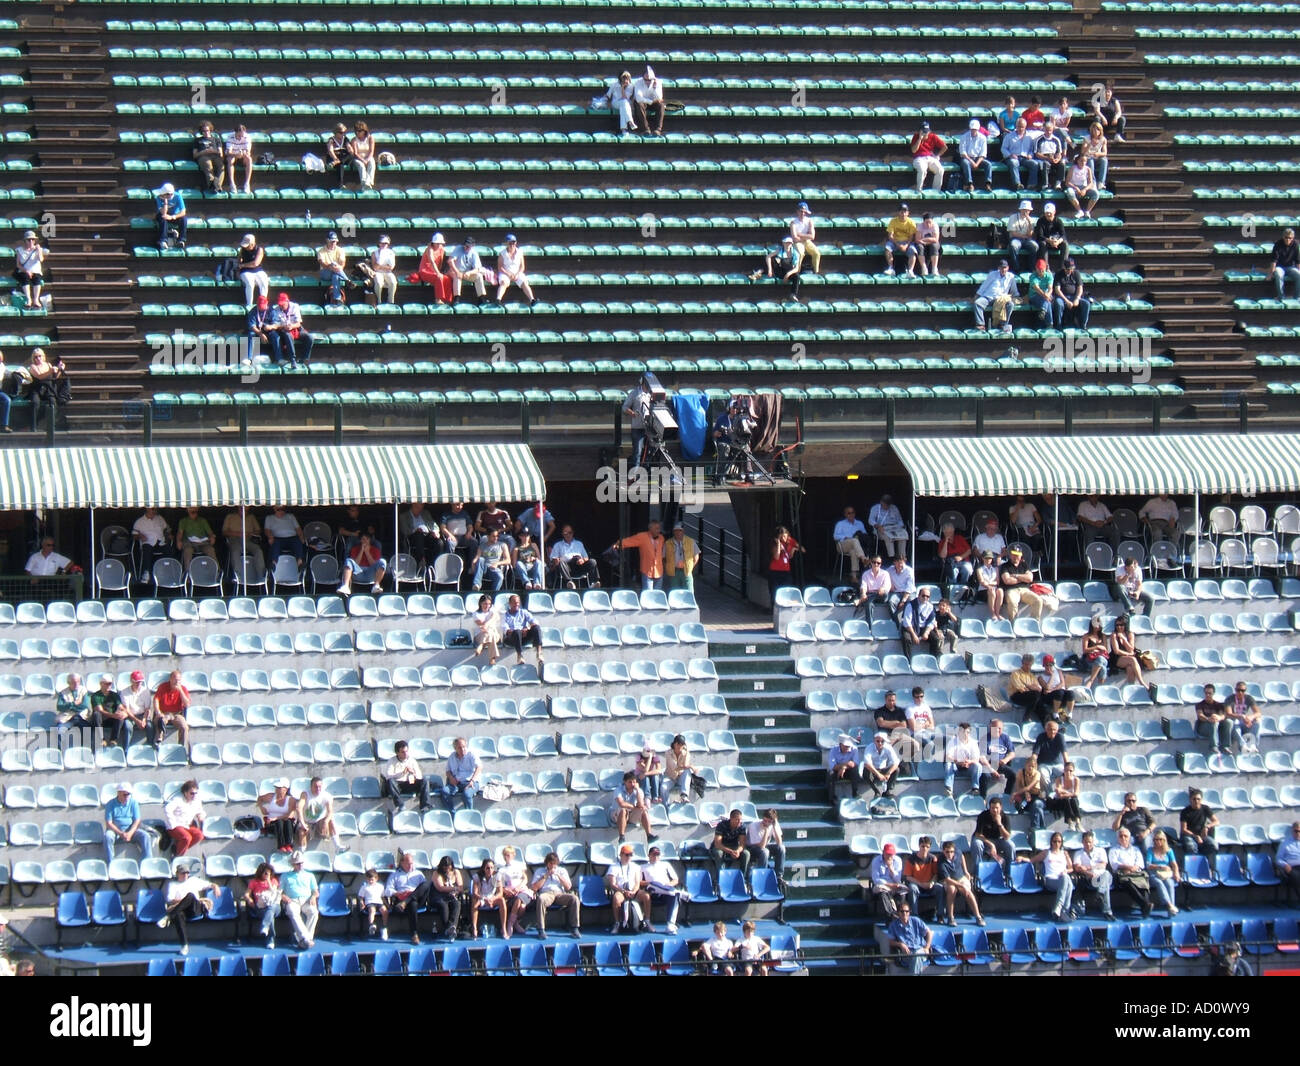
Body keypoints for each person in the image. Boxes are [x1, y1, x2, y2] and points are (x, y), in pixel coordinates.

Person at [159, 864, 220, 955]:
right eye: (183, 873)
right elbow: (170, 900)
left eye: (187, 873)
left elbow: (210, 884)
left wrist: (216, 887)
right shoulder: (173, 885)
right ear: (177, 873)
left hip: (195, 908)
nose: (185, 875)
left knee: (190, 896)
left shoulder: (193, 881)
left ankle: (168, 917)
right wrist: (184, 901)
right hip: (182, 910)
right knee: (178, 915)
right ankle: (184, 945)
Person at [1021, 832, 1074, 921]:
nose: (1057, 844)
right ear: (1051, 842)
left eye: (1059, 842)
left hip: (1062, 878)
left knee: (1067, 879)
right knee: (1068, 882)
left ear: (1061, 843)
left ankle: (1060, 911)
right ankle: (1063, 910)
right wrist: (1022, 858)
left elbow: (1071, 868)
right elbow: (1032, 860)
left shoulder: (1064, 854)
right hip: (1050, 879)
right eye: (1054, 841)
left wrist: (1066, 870)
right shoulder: (1046, 853)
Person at [531, 852, 582, 939]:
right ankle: (541, 929)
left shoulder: (562, 871)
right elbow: (535, 888)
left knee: (575, 899)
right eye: (550, 863)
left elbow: (568, 887)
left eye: (554, 863)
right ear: (547, 863)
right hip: (547, 893)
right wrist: (545, 876)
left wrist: (558, 875)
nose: (552, 865)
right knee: (541, 899)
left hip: (559, 893)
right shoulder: (540, 871)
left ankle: (574, 928)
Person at [640, 844, 687, 935]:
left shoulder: (665, 864)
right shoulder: (643, 867)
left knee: (674, 896)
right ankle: (679, 893)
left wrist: (669, 884)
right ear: (649, 855)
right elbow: (639, 882)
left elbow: (675, 879)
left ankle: (670, 924)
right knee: (656, 884)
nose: (656, 857)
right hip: (652, 890)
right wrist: (649, 883)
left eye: (657, 855)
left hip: (666, 890)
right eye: (654, 854)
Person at [606, 843, 652, 934]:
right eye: (627, 855)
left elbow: (637, 882)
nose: (629, 857)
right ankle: (617, 923)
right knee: (616, 898)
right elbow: (612, 884)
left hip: (633, 891)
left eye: (630, 855)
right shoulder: (613, 867)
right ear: (621, 855)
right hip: (621, 890)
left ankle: (647, 921)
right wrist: (623, 891)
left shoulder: (635, 867)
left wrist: (634, 891)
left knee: (646, 896)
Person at [387, 851, 431, 945]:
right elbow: (387, 890)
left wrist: (413, 894)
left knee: (426, 884)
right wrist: (397, 893)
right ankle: (414, 934)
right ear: (402, 863)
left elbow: (424, 888)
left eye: (411, 863)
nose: (410, 866)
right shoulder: (395, 874)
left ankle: (406, 901)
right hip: (402, 899)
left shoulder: (418, 874)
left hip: (417, 898)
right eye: (408, 863)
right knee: (413, 903)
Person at [937, 839, 985, 926]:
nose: (950, 854)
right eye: (947, 852)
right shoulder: (940, 861)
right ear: (943, 851)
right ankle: (950, 917)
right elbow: (947, 879)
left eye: (951, 852)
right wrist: (961, 886)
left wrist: (966, 871)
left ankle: (978, 917)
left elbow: (962, 856)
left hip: (960, 877)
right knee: (952, 890)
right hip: (949, 880)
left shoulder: (958, 852)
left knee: (968, 893)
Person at [104, 783, 153, 865]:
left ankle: (147, 863)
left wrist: (130, 833)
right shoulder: (110, 804)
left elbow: (137, 820)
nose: (127, 796)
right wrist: (120, 833)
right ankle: (111, 864)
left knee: (145, 836)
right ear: (119, 793)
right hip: (115, 831)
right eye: (125, 794)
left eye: (128, 794)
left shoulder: (133, 803)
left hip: (131, 830)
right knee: (107, 836)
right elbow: (109, 823)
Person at [1071, 830, 1116, 921]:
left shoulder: (1101, 850)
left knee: (1106, 875)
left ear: (1093, 842)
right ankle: (1107, 911)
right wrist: (1089, 873)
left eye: (1090, 842)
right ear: (1082, 842)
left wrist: (1088, 867)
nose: (1088, 844)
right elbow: (1077, 868)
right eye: (1086, 842)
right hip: (1089, 879)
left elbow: (1103, 865)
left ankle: (1100, 893)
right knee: (1105, 885)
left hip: (1101, 877)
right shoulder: (1078, 853)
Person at [1108, 827, 1152, 916]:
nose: (1123, 838)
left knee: (1143, 882)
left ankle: (1145, 906)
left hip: (1136, 872)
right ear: (1118, 838)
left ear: (1129, 838)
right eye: (1121, 836)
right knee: (1128, 882)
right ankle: (1145, 905)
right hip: (1122, 874)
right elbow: (1114, 864)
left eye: (1125, 836)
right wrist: (1128, 867)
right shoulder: (1113, 850)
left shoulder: (1135, 849)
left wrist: (1133, 869)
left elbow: (1140, 863)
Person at [281, 851, 320, 950]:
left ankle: (304, 939)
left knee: (314, 912)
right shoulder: (285, 876)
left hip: (307, 900)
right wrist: (283, 896)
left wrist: (313, 897)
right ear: (293, 864)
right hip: (292, 900)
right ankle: (306, 939)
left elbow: (316, 892)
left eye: (301, 863)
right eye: (298, 864)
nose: (300, 865)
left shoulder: (310, 875)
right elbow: (279, 892)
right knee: (293, 912)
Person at [614, 519, 666, 592]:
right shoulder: (642, 536)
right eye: (656, 528)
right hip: (647, 571)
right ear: (650, 528)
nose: (658, 531)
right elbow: (630, 541)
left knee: (658, 594)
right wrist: (619, 544)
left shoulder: (661, 538)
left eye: (659, 528)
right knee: (648, 594)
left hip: (659, 571)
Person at [999, 545, 1047, 621]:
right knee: (1012, 602)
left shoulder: (1024, 565)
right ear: (1010, 555)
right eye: (1013, 554)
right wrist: (1023, 578)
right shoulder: (1005, 566)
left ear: (1021, 555)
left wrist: (1015, 576)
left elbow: (1030, 578)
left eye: (1017, 555)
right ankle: (1013, 624)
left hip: (1025, 590)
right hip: (1011, 590)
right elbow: (1007, 580)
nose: (1015, 556)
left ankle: (1034, 623)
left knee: (1038, 600)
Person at [384, 740, 433, 812]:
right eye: (403, 752)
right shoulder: (391, 761)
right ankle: (400, 805)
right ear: (397, 753)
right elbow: (388, 776)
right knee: (390, 782)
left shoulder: (412, 760)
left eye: (406, 751)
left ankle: (425, 805)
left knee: (425, 780)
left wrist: (413, 772)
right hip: (398, 785)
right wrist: (402, 773)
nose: (405, 754)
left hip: (410, 783)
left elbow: (419, 776)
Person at [749, 236, 803, 301]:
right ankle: (759, 272)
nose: (788, 244)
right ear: (783, 243)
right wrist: (770, 269)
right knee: (773, 260)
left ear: (792, 244)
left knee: (796, 277)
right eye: (786, 243)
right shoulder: (780, 250)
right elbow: (768, 257)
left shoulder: (795, 253)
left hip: (789, 271)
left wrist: (788, 274)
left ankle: (793, 294)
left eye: (789, 243)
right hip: (780, 271)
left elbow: (796, 268)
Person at [904, 837, 945, 921]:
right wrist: (921, 884)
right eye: (923, 846)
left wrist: (932, 883)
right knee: (912, 888)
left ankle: (940, 915)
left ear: (929, 847)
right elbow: (908, 877)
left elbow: (935, 874)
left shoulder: (933, 859)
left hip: (929, 884)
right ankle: (914, 916)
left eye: (927, 846)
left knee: (940, 888)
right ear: (919, 846)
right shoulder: (911, 859)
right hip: (917, 884)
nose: (925, 849)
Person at [971, 796, 1015, 875]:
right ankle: (978, 873)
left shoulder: (1005, 817)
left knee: (1011, 845)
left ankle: (1009, 874)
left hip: (997, 840)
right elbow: (978, 834)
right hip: (983, 840)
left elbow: (1007, 837)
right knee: (977, 843)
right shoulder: (983, 815)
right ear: (989, 807)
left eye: (997, 808)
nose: (994, 810)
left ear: (1000, 807)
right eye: (992, 808)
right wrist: (991, 845)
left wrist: (1000, 824)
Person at [298, 777, 343, 852]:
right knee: (302, 831)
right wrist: (302, 823)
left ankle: (337, 846)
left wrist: (326, 821)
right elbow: (299, 808)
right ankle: (302, 852)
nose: (318, 789)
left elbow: (330, 811)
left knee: (330, 820)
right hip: (307, 822)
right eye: (316, 787)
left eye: (320, 787)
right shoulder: (305, 794)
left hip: (320, 822)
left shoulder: (327, 795)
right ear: (311, 786)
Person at [973, 259, 1019, 334]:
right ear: (999, 268)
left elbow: (1014, 291)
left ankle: (1003, 324)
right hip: (988, 297)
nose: (1003, 269)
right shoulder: (992, 274)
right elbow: (984, 286)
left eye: (1005, 267)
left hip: (1000, 300)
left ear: (1008, 268)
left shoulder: (1011, 277)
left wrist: (1016, 298)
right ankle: (981, 324)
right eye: (1002, 268)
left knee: (1010, 304)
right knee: (977, 303)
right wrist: (977, 295)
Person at [886, 901, 933, 975]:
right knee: (915, 957)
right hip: (906, 953)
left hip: (921, 950)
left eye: (907, 911)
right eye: (902, 911)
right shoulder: (893, 925)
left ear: (909, 912)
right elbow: (890, 941)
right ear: (898, 912)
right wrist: (900, 944)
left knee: (917, 955)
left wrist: (927, 947)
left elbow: (929, 932)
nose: (904, 913)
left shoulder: (916, 921)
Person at [243, 861, 281, 948]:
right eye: (265, 873)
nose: (266, 874)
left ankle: (265, 926)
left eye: (268, 873)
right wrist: (249, 900)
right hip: (261, 907)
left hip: (275, 906)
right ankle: (270, 941)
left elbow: (274, 891)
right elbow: (246, 894)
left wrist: (268, 881)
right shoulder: (254, 882)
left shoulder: (273, 881)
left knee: (271, 907)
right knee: (269, 913)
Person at [150, 669, 191, 748]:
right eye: (175, 679)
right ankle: (158, 742)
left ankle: (181, 747)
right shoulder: (163, 687)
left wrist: (181, 691)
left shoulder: (183, 689)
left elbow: (187, 704)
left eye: (179, 680)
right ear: (170, 679)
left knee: (184, 727)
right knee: (160, 721)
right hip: (163, 712)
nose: (177, 682)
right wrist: (158, 712)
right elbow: (156, 700)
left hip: (176, 714)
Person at [610, 770, 655, 843]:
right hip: (616, 814)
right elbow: (622, 804)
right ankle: (621, 836)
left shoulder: (638, 791)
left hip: (631, 814)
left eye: (634, 782)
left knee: (644, 811)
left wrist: (637, 790)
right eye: (630, 782)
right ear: (625, 782)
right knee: (623, 810)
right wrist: (634, 807)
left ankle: (649, 835)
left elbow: (640, 805)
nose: (632, 784)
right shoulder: (618, 790)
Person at [164, 780, 206, 857]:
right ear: (185, 793)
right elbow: (167, 809)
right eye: (192, 793)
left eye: (196, 793)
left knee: (199, 835)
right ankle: (178, 857)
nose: (194, 795)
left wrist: (201, 816)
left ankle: (177, 849)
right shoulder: (178, 800)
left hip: (187, 826)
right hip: (175, 826)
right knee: (187, 838)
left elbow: (200, 811)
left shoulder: (196, 801)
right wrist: (172, 823)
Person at [1145, 829, 1181, 917]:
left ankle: (1170, 910)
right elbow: (1148, 865)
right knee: (1159, 883)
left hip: (1166, 873)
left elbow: (1174, 864)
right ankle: (1170, 905)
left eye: (1160, 839)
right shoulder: (1150, 850)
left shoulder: (1169, 851)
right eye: (1156, 839)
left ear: (1164, 840)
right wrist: (1160, 866)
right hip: (1154, 873)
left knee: (1170, 883)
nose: (1158, 842)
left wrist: (1176, 873)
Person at [258, 778, 301, 852]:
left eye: (279, 788)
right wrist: (261, 808)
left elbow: (290, 815)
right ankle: (281, 845)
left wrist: (275, 818)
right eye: (276, 788)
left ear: (286, 789)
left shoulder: (291, 800)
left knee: (286, 821)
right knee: (279, 822)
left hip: (285, 824)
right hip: (272, 824)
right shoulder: (270, 796)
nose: (277, 790)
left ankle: (288, 844)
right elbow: (259, 799)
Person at [337, 531, 385, 596]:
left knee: (382, 561)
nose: (365, 541)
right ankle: (345, 586)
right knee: (348, 560)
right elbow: (355, 563)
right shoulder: (355, 549)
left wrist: (367, 552)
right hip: (358, 572)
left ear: (370, 540)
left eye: (367, 539)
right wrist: (361, 551)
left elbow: (374, 564)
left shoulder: (375, 550)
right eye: (363, 539)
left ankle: (376, 586)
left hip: (370, 573)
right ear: (360, 540)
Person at [471, 857, 509, 939]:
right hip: (481, 898)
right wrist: (484, 899)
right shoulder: (477, 877)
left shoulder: (498, 876)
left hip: (492, 898)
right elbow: (475, 893)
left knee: (502, 900)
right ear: (484, 868)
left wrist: (492, 899)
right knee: (474, 902)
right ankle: (474, 928)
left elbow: (500, 893)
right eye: (487, 868)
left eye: (492, 868)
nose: (490, 870)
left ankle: (504, 928)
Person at [747, 809, 787, 887]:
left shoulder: (774, 824)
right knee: (765, 851)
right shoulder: (753, 826)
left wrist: (774, 827)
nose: (766, 823)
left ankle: (778, 876)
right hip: (753, 847)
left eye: (769, 822)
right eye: (765, 820)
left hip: (765, 846)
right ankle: (762, 876)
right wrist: (766, 831)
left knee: (781, 848)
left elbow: (779, 843)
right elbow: (761, 846)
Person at [501, 593, 544, 665]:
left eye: (518, 602)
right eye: (514, 603)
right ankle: (519, 655)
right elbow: (506, 630)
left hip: (524, 636)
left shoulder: (523, 612)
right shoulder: (505, 615)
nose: (516, 604)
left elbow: (534, 621)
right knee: (517, 632)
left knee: (536, 628)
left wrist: (528, 629)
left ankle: (539, 652)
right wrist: (519, 632)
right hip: (511, 638)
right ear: (510, 603)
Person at [871, 842, 911, 918]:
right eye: (888, 854)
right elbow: (876, 879)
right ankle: (891, 915)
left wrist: (891, 868)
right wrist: (889, 885)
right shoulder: (876, 861)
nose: (890, 856)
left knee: (904, 890)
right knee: (882, 891)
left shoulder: (898, 860)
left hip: (895, 884)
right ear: (883, 852)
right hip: (882, 885)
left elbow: (898, 879)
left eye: (891, 854)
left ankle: (901, 913)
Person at [91, 674, 132, 748]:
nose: (108, 685)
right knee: (96, 714)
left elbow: (121, 707)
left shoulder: (115, 695)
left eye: (110, 683)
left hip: (112, 719)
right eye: (106, 684)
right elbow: (100, 710)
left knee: (121, 716)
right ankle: (101, 739)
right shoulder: (95, 696)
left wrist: (124, 713)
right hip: (101, 719)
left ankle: (113, 740)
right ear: (101, 684)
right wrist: (113, 715)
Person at [495, 233, 536, 307]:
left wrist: (517, 274)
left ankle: (532, 299)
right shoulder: (502, 253)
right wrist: (508, 274)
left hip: (517, 272)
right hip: (505, 273)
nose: (512, 244)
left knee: (524, 282)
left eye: (513, 242)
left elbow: (522, 267)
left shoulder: (520, 252)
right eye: (510, 243)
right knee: (504, 283)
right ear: (507, 243)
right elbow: (500, 267)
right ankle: (498, 299)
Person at [980, 718, 1017, 797]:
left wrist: (1005, 760)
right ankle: (983, 798)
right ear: (991, 728)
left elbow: (1012, 753)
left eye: (999, 728)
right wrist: (992, 770)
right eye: (995, 728)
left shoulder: (1005, 738)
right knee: (984, 776)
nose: (997, 730)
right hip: (988, 765)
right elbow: (982, 758)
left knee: (1013, 775)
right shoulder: (984, 738)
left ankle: (1006, 796)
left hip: (1000, 764)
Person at [439, 736, 478, 813]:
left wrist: (472, 781)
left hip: (470, 782)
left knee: (467, 794)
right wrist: (451, 778)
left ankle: (469, 814)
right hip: (456, 783)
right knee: (444, 791)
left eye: (464, 747)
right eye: (460, 748)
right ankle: (453, 813)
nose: (462, 749)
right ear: (455, 748)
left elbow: (479, 767)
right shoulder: (452, 757)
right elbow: (448, 771)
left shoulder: (471, 755)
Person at [1001, 118, 1041, 190]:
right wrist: (1010, 155)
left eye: (1022, 127)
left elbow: (1031, 149)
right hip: (1012, 157)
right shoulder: (1009, 136)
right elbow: (1003, 148)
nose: (1020, 128)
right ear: (1016, 126)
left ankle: (1031, 185)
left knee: (1034, 164)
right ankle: (1018, 184)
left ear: (1025, 127)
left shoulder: (1030, 137)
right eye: (1018, 126)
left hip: (1025, 157)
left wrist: (1030, 155)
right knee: (1014, 163)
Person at [132, 505, 172, 578]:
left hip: (160, 542)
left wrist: (168, 535)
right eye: (152, 509)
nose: (154, 510)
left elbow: (166, 529)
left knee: (169, 549)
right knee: (147, 549)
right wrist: (140, 536)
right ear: (147, 508)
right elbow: (134, 535)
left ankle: (167, 572)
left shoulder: (160, 518)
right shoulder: (140, 521)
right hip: (148, 542)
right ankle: (146, 573)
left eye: (155, 509)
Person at [431, 855, 465, 939]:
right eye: (445, 866)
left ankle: (451, 927)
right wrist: (454, 888)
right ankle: (448, 928)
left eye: (448, 866)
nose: (446, 868)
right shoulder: (436, 873)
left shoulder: (456, 872)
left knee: (457, 904)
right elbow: (441, 888)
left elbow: (460, 887)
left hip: (452, 896)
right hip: (438, 896)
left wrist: (455, 891)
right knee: (443, 906)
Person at [944, 721, 982, 798]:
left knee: (978, 766)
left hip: (968, 767)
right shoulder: (953, 741)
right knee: (948, 764)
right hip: (956, 767)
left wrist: (969, 762)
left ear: (969, 733)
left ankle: (975, 788)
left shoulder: (973, 743)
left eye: (967, 732)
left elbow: (976, 758)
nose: (965, 734)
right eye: (962, 732)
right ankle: (948, 789)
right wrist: (958, 762)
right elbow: (947, 756)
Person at [712, 808, 750, 882]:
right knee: (718, 853)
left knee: (746, 853)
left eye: (740, 820)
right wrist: (730, 851)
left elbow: (742, 844)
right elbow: (718, 844)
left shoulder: (742, 827)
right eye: (737, 820)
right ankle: (721, 877)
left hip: (734, 847)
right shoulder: (721, 825)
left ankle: (742, 878)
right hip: (722, 846)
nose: (739, 822)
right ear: (731, 819)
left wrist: (738, 851)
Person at [1180, 788, 1219, 860]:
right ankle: (1195, 862)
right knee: (1191, 846)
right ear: (1190, 799)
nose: (1196, 801)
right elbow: (1184, 829)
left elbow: (1216, 821)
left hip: (1202, 835)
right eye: (1194, 799)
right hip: (1189, 835)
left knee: (1214, 845)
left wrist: (1207, 827)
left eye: (1198, 799)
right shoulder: (1185, 812)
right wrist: (1195, 836)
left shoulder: (1205, 808)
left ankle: (1204, 860)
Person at [767, 526, 803, 604]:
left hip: (786, 571)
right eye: (782, 536)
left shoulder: (790, 541)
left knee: (787, 589)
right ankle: (774, 609)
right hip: (775, 571)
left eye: (785, 536)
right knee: (775, 591)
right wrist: (779, 544)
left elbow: (801, 550)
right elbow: (776, 557)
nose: (784, 538)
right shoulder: (775, 543)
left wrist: (793, 549)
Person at [909, 119, 946, 193]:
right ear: (920, 131)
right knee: (922, 170)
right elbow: (913, 150)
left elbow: (944, 147)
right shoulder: (916, 136)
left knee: (940, 170)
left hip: (930, 157)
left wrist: (937, 155)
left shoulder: (933, 136)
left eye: (927, 131)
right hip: (918, 158)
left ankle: (936, 191)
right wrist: (920, 139)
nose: (926, 133)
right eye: (924, 131)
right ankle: (919, 190)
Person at [1053, 257, 1091, 329]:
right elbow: (1057, 290)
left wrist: (1077, 298)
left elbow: (1080, 287)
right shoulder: (1058, 274)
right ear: (1064, 267)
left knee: (1086, 304)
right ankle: (1058, 325)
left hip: (1074, 296)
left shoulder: (1076, 273)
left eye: (1071, 269)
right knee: (1058, 303)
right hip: (1062, 297)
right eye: (1068, 269)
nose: (1070, 271)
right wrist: (1066, 301)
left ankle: (1083, 325)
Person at [1012, 753, 1048, 830]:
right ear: (1025, 765)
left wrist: (1016, 793)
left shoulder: (1037, 774)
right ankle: (1040, 828)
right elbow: (1018, 787)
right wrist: (1025, 793)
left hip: (1037, 797)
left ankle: (1035, 827)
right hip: (1026, 798)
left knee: (1036, 805)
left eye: (1033, 766)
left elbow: (1029, 787)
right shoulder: (1020, 773)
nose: (1030, 768)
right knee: (1036, 809)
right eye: (1029, 766)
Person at [1109, 613, 1147, 687]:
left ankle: (1131, 686)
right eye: (1117, 625)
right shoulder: (1114, 635)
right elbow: (1116, 651)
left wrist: (1124, 639)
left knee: (1130, 667)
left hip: (1128, 657)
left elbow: (1131, 649)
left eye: (1121, 625)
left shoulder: (1130, 634)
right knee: (1132, 659)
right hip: (1117, 658)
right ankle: (1141, 682)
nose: (1119, 627)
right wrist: (1129, 654)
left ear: (1125, 625)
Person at [416, 233, 453, 304]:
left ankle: (448, 299)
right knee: (438, 277)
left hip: (434, 271)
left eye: (440, 243)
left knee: (447, 278)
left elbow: (440, 261)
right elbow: (432, 262)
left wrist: (438, 272)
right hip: (425, 271)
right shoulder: (429, 249)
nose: (439, 245)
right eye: (437, 243)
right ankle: (438, 299)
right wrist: (438, 273)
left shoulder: (441, 249)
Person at [883, 202, 919, 277]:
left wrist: (906, 245)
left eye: (905, 212)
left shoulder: (911, 222)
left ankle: (910, 271)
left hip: (907, 242)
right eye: (901, 211)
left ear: (908, 213)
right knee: (887, 248)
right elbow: (890, 235)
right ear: (898, 212)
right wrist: (898, 244)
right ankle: (891, 268)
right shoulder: (893, 221)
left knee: (913, 251)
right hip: (895, 241)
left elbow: (911, 237)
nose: (903, 214)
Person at [449, 236, 488, 304]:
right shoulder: (458, 248)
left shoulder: (474, 253)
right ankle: (456, 298)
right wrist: (457, 272)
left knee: (479, 276)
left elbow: (478, 268)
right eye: (465, 245)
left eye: (468, 246)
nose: (466, 247)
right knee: (456, 276)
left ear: (472, 246)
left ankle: (481, 298)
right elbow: (450, 261)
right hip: (457, 271)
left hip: (468, 273)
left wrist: (469, 273)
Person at [1046, 759, 1083, 831]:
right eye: (1066, 770)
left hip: (1071, 801)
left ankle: (1078, 822)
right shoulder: (1059, 779)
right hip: (1060, 802)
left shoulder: (1076, 780)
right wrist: (1069, 794)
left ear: (1073, 771)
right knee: (1067, 800)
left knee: (1073, 800)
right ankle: (1070, 822)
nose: (1068, 772)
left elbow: (1076, 793)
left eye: (1070, 771)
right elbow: (1058, 793)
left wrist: (1064, 792)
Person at [868, 494, 907, 560]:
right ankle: (892, 557)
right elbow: (870, 520)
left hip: (895, 527)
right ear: (881, 502)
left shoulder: (894, 508)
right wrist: (877, 526)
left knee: (904, 535)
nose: (887, 506)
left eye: (888, 504)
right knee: (888, 536)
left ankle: (902, 557)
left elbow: (900, 520)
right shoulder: (875, 508)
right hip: (882, 528)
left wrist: (900, 527)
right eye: (885, 504)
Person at [862, 730, 901, 797]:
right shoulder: (869, 748)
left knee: (896, 769)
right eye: (878, 741)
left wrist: (889, 773)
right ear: (874, 741)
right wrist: (878, 774)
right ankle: (876, 791)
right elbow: (867, 763)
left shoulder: (888, 747)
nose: (880, 743)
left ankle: (887, 791)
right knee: (865, 772)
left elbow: (896, 762)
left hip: (883, 769)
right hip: (873, 770)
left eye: (882, 741)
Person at [470, 528, 510, 592]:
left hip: (494, 568)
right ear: (488, 536)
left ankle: (494, 593)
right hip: (484, 568)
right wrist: (473, 562)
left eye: (497, 536)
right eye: (493, 536)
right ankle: (476, 585)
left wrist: (497, 563)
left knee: (500, 576)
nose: (496, 538)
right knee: (480, 559)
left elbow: (508, 560)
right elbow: (477, 557)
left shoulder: (502, 545)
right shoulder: (482, 546)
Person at [235, 233, 269, 308]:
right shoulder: (242, 250)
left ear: (252, 244)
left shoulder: (259, 249)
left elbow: (256, 263)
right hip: (245, 271)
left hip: (258, 270)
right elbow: (239, 260)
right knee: (250, 283)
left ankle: (263, 302)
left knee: (264, 282)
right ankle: (249, 304)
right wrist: (240, 265)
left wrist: (243, 265)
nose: (246, 247)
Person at [1226, 681, 1262, 753]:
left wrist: (1251, 717)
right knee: (1233, 722)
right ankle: (1242, 746)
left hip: (1244, 721)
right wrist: (1241, 716)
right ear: (1235, 690)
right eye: (1238, 690)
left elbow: (1258, 713)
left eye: (1242, 690)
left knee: (1258, 721)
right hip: (1234, 721)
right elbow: (1228, 714)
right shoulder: (1230, 699)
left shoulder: (1249, 698)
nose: (1240, 692)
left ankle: (1252, 745)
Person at [936, 521, 973, 591]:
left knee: (967, 570)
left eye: (950, 532)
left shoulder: (960, 538)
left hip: (963, 561)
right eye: (947, 532)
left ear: (953, 531)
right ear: (944, 533)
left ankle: (962, 589)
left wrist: (961, 557)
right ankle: (953, 591)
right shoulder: (942, 542)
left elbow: (969, 551)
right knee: (953, 573)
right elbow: (942, 556)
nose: (949, 534)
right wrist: (946, 542)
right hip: (951, 563)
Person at [663, 521, 699, 591]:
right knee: (674, 592)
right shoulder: (667, 543)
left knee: (689, 592)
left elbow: (696, 556)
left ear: (683, 531)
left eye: (680, 530)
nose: (678, 532)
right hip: (674, 572)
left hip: (686, 571)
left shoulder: (691, 541)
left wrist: (690, 567)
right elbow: (663, 558)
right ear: (673, 532)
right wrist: (667, 567)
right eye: (676, 530)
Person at [1034, 116, 1068, 189]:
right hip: (1044, 158)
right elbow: (1037, 154)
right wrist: (1047, 158)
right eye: (1047, 130)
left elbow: (1059, 153)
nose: (1049, 132)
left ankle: (1058, 184)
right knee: (1045, 164)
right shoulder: (1039, 140)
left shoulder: (1056, 140)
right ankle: (1045, 184)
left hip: (1053, 157)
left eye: (1050, 130)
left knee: (1062, 163)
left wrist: (1057, 159)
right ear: (1044, 129)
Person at [958, 119, 992, 191]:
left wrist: (977, 163)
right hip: (967, 158)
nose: (973, 131)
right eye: (972, 129)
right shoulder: (964, 137)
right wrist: (972, 162)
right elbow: (963, 153)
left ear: (978, 129)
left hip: (977, 158)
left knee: (988, 164)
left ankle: (988, 184)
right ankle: (969, 183)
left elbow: (983, 154)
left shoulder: (983, 138)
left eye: (975, 129)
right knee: (965, 163)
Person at [55, 672, 92, 739]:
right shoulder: (63, 692)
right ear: (68, 683)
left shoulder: (84, 691)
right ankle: (61, 749)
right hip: (66, 718)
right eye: (73, 682)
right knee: (59, 730)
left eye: (78, 681)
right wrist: (73, 704)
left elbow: (84, 706)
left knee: (88, 730)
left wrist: (68, 707)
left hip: (81, 717)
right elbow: (59, 707)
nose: (76, 684)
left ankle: (87, 749)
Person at [316, 230, 348, 305]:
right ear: (327, 241)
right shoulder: (321, 251)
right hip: (325, 272)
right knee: (334, 265)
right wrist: (331, 266)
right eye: (332, 241)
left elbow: (342, 264)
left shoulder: (340, 250)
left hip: (337, 272)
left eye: (335, 241)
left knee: (335, 276)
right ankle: (346, 279)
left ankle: (337, 299)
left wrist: (336, 268)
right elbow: (323, 264)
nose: (334, 243)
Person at [666, 734, 701, 804]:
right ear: (674, 744)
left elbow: (686, 765)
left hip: (680, 778)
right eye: (678, 743)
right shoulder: (668, 753)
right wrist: (691, 766)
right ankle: (665, 807)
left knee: (687, 771)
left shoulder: (686, 753)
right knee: (663, 788)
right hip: (670, 778)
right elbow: (675, 767)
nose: (679, 746)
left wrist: (689, 766)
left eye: (682, 744)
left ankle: (684, 795)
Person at [855, 555, 892, 620]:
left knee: (884, 593)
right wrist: (863, 594)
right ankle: (869, 627)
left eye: (878, 563)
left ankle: (861, 600)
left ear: (880, 564)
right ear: (871, 563)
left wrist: (882, 588)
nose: (876, 564)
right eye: (874, 562)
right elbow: (864, 585)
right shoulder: (866, 574)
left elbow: (887, 586)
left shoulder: (885, 573)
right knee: (868, 604)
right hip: (870, 595)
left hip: (881, 596)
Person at [469, 594, 502, 666]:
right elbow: (482, 627)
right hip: (480, 635)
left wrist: (487, 624)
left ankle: (481, 645)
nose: (487, 606)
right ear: (480, 603)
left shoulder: (493, 610)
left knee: (491, 633)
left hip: (495, 635)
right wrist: (489, 623)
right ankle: (492, 659)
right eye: (485, 604)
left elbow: (493, 618)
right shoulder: (476, 614)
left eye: (489, 604)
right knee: (490, 634)